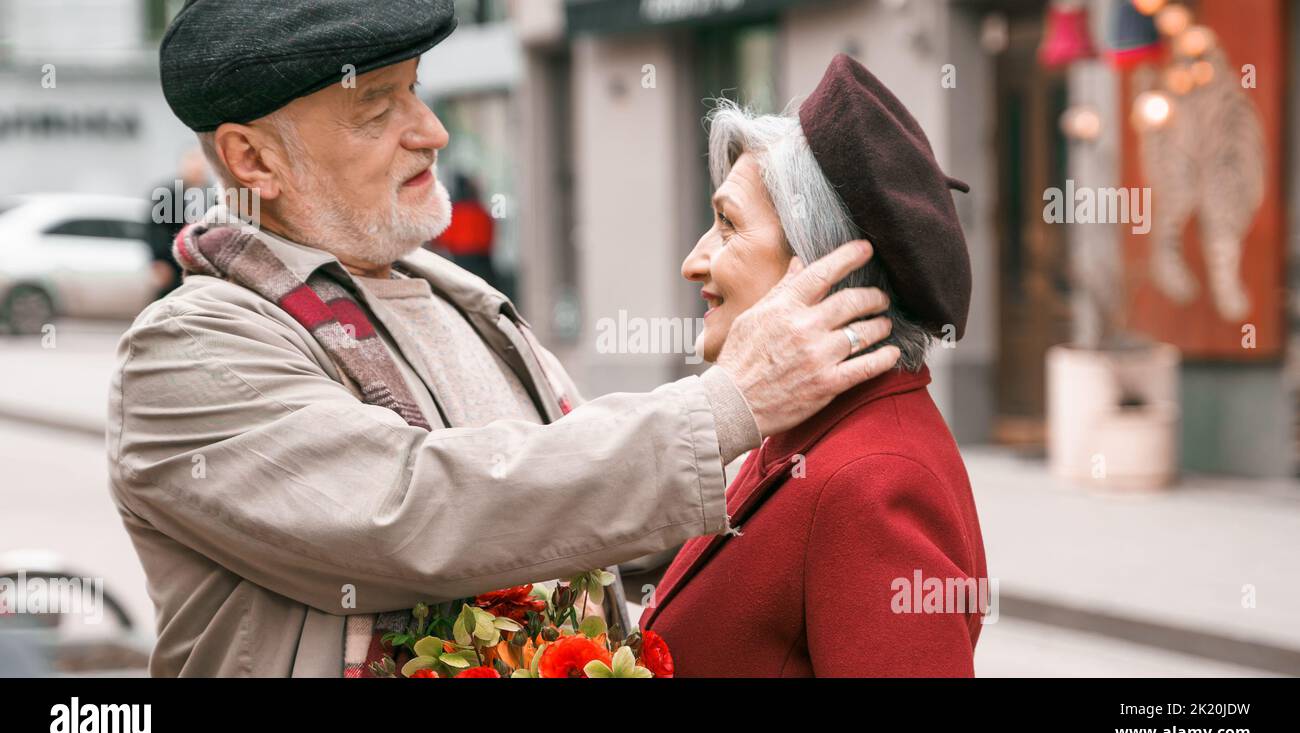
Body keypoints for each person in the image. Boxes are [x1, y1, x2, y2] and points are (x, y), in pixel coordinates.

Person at [107, 1, 900, 677]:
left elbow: (595, 524)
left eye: (416, 91)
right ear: (254, 159)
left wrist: (822, 485)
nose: (432, 133)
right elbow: (417, 513)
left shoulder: (465, 300)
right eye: (377, 109)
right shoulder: (187, 349)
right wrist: (727, 405)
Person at [639, 55, 989, 677]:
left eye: (727, 225)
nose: (695, 261)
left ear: (822, 265)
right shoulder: (805, 429)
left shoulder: (874, 480)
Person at [144, 147, 210, 299]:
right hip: (172, 262)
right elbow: (155, 229)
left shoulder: (215, 194)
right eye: (191, 163)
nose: (196, 168)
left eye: (200, 164)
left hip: (205, 263)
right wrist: (158, 261)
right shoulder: (167, 194)